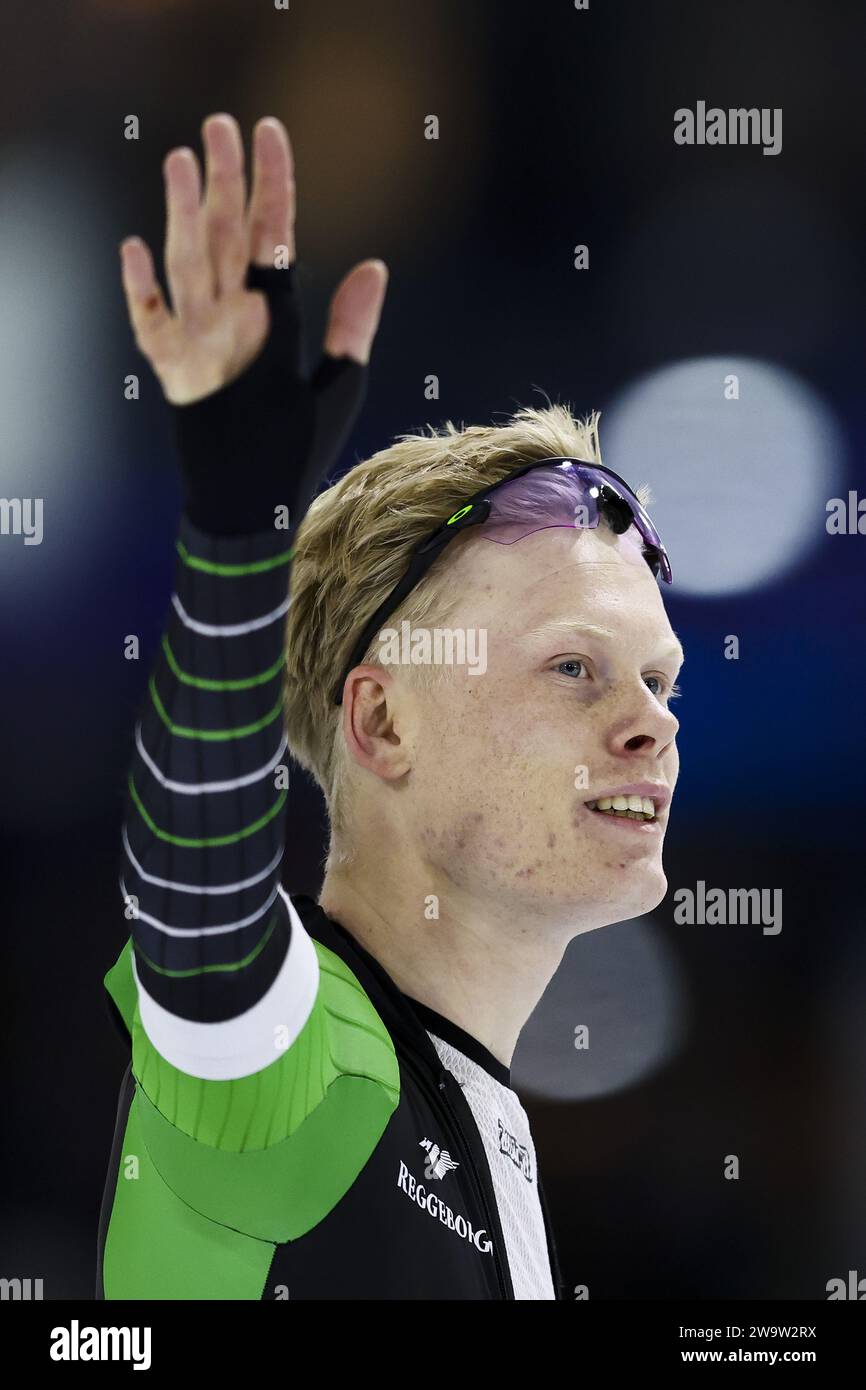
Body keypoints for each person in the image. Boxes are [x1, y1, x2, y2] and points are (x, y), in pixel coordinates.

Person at [97, 113, 683, 1301]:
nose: (650, 724)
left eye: (658, 677)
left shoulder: (483, 1127)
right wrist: (234, 530)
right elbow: (193, 903)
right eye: (571, 667)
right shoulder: (299, 1061)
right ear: (379, 726)